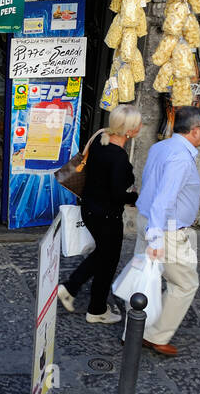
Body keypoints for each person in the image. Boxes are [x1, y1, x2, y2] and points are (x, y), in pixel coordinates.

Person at [132, 105, 200, 356]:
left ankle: (132, 332)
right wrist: (156, 238)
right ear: (195, 131)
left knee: (147, 279)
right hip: (165, 230)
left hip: (148, 220)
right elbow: (164, 199)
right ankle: (154, 335)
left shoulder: (160, 147)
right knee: (185, 284)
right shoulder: (181, 159)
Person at [56, 105, 141, 324]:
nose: (141, 126)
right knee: (108, 260)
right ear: (130, 130)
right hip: (107, 215)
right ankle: (95, 309)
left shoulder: (99, 142)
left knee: (103, 255)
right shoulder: (119, 157)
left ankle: (73, 289)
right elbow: (116, 193)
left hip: (91, 209)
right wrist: (136, 199)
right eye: (138, 124)